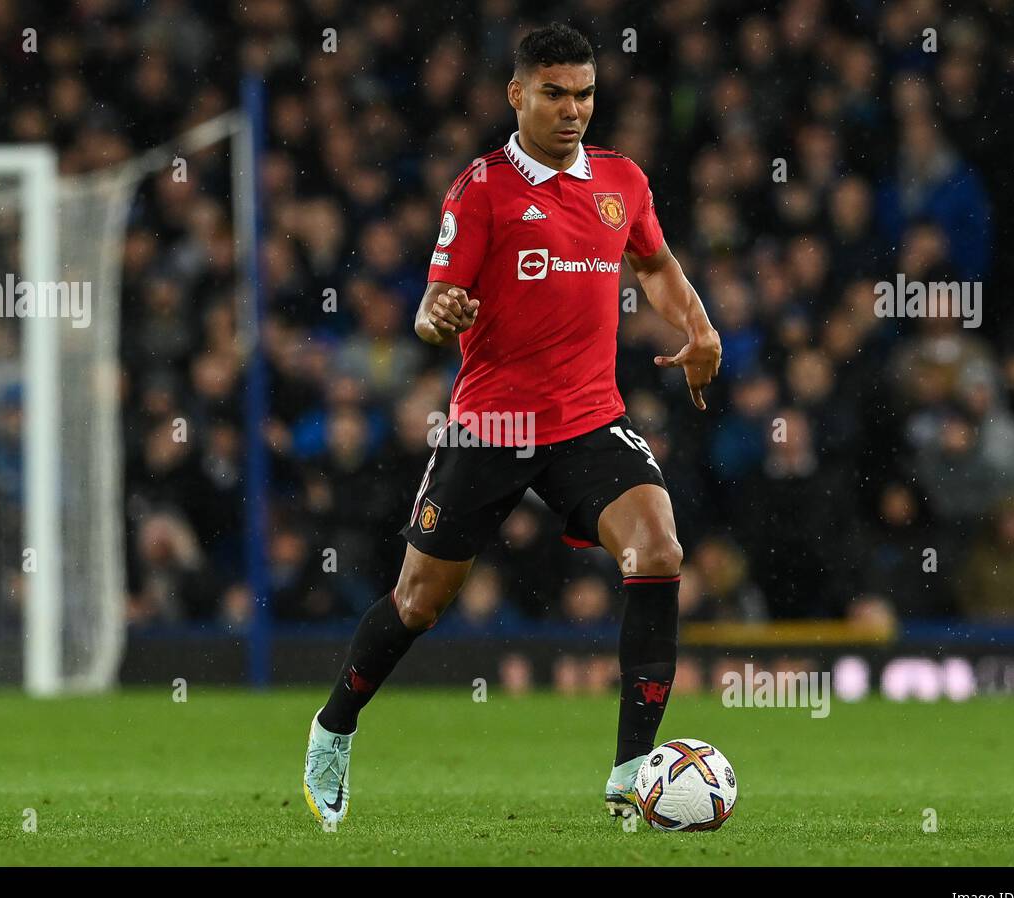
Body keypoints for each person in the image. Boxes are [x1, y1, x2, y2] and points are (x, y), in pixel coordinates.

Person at [302, 24, 722, 827]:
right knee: (419, 602)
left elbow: (655, 264)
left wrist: (697, 328)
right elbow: (431, 309)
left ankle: (633, 773)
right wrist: (440, 316)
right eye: (556, 94)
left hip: (589, 418)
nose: (573, 111)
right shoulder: (481, 190)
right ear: (517, 95)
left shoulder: (622, 182)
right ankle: (333, 727)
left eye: (585, 94)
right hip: (492, 426)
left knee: (659, 548)